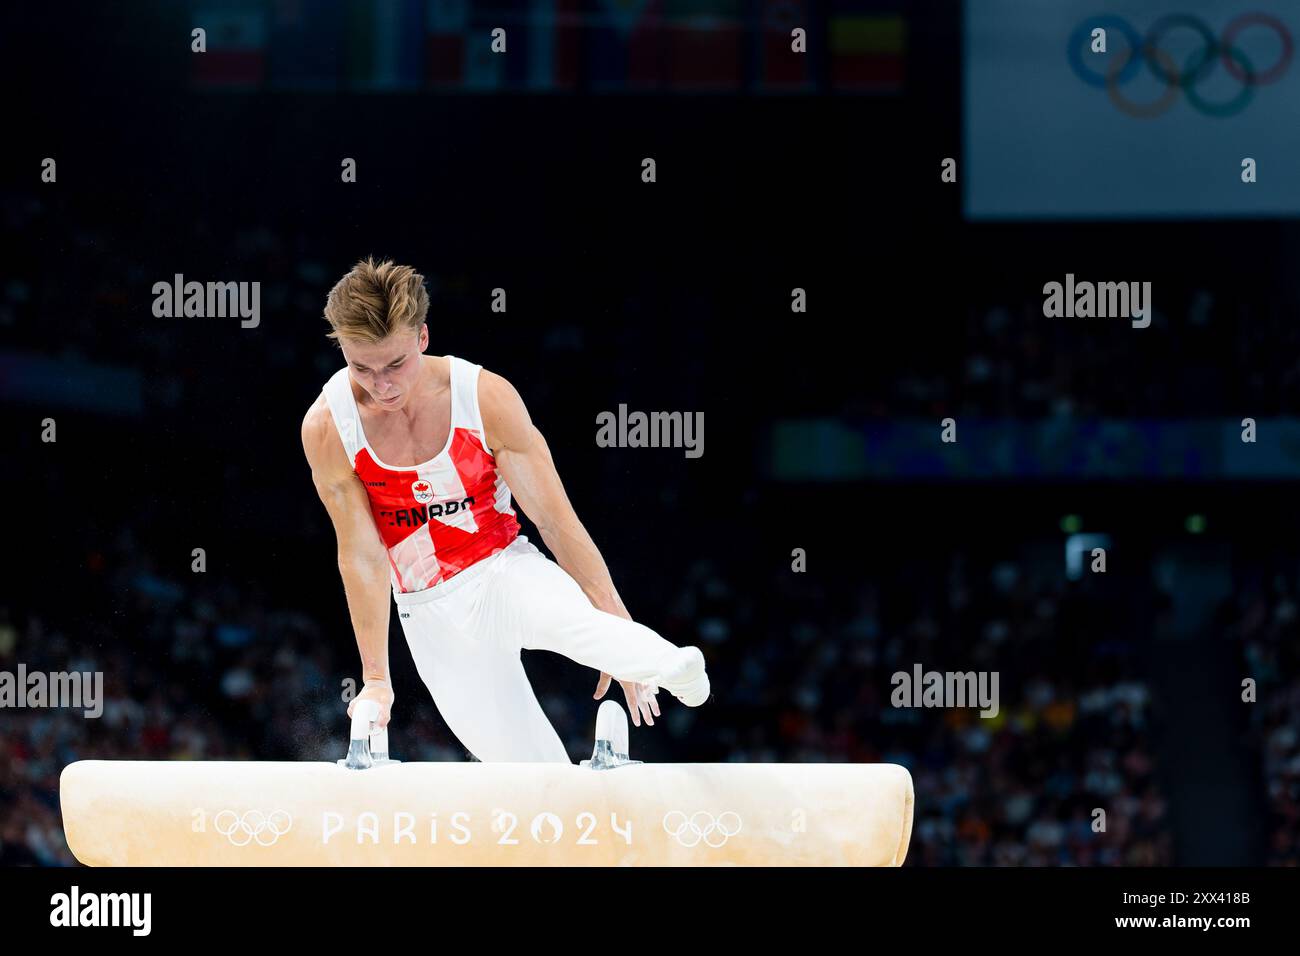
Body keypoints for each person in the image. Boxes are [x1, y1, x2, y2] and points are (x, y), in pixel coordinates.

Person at [301, 258, 710, 762]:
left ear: (423, 338)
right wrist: (377, 679)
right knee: (531, 777)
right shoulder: (328, 426)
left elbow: (556, 521)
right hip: (431, 617)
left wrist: (618, 635)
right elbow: (362, 557)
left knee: (571, 622)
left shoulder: (484, 398)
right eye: (361, 368)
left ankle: (665, 662)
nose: (381, 385)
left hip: (503, 571)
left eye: (395, 365)